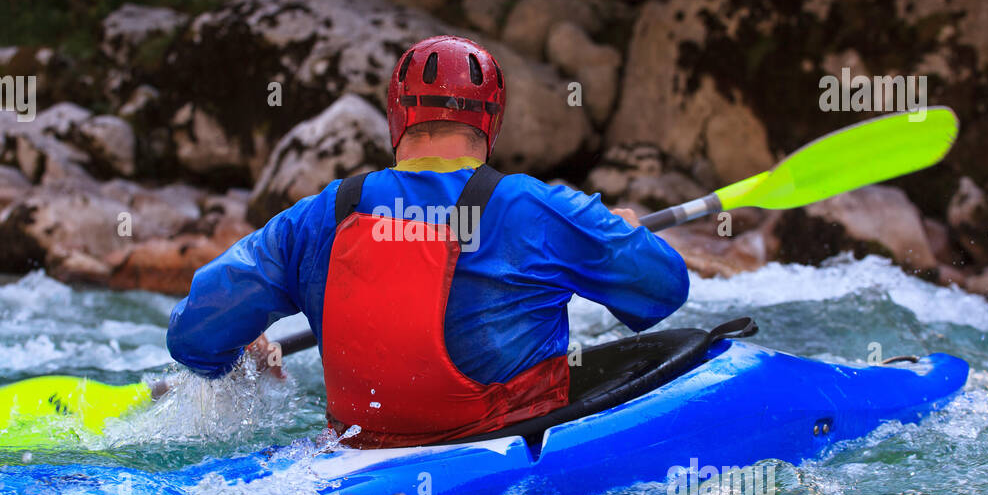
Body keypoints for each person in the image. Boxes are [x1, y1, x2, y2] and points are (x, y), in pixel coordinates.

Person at [167, 34, 689, 447]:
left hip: (353, 463)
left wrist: (239, 351)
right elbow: (664, 288)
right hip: (500, 461)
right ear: (492, 123)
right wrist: (623, 233)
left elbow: (193, 335)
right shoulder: (539, 209)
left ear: (397, 118)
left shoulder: (319, 215)